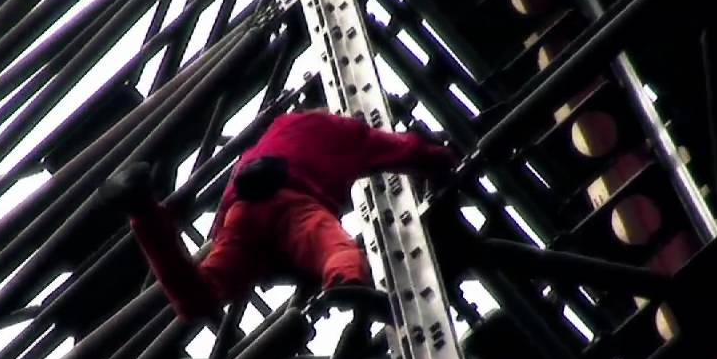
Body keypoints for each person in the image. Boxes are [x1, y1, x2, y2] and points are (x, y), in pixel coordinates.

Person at [100, 109, 458, 320]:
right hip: (292, 201)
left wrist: (223, 238)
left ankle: (143, 213)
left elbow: (228, 205)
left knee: (199, 298)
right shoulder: (346, 133)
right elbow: (402, 150)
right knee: (333, 247)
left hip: (242, 212)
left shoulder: (276, 130)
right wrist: (443, 158)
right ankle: (346, 283)